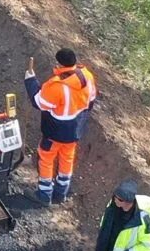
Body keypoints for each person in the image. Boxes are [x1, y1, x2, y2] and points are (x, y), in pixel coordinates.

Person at [24, 48, 99, 206]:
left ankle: (44, 194)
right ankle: (61, 193)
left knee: (46, 158)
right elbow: (91, 100)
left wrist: (30, 81)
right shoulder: (87, 76)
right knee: (67, 158)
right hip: (75, 129)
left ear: (59, 63)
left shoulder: (56, 86)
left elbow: (38, 103)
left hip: (55, 131)